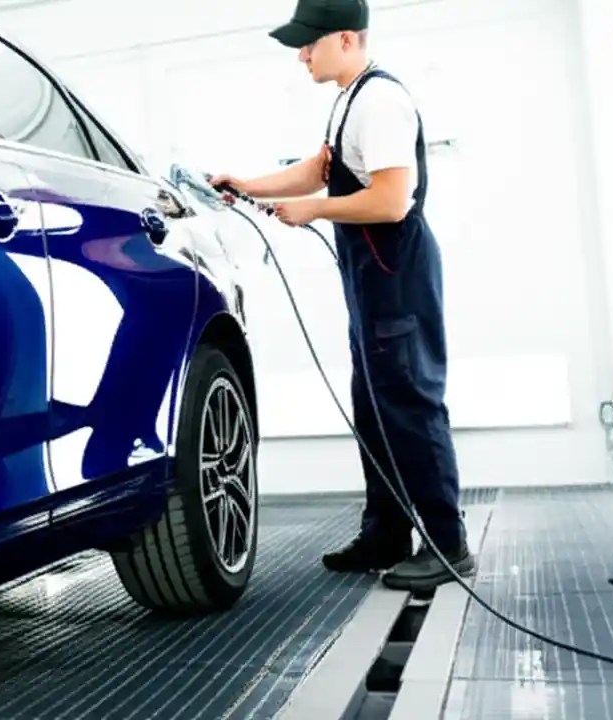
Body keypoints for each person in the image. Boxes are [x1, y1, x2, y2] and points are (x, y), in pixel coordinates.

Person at [211, 0, 473, 592]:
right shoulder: (350, 98)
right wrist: (245, 184)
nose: (301, 54)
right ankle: (387, 533)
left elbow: (390, 201)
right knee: (374, 406)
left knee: (409, 403)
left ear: (349, 40)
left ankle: (448, 544)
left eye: (311, 42)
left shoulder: (380, 101)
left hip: (396, 274)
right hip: (372, 278)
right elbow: (320, 168)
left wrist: (314, 211)